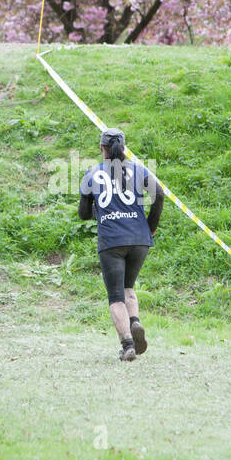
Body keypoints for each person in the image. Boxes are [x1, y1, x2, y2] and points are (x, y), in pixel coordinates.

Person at [78, 128, 164, 361]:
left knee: (116, 296)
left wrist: (101, 210)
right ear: (124, 147)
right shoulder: (138, 169)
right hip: (139, 239)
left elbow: (84, 214)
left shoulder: (92, 173)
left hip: (112, 241)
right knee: (129, 288)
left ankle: (127, 345)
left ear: (101, 148)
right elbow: (159, 192)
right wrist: (150, 226)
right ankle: (134, 322)